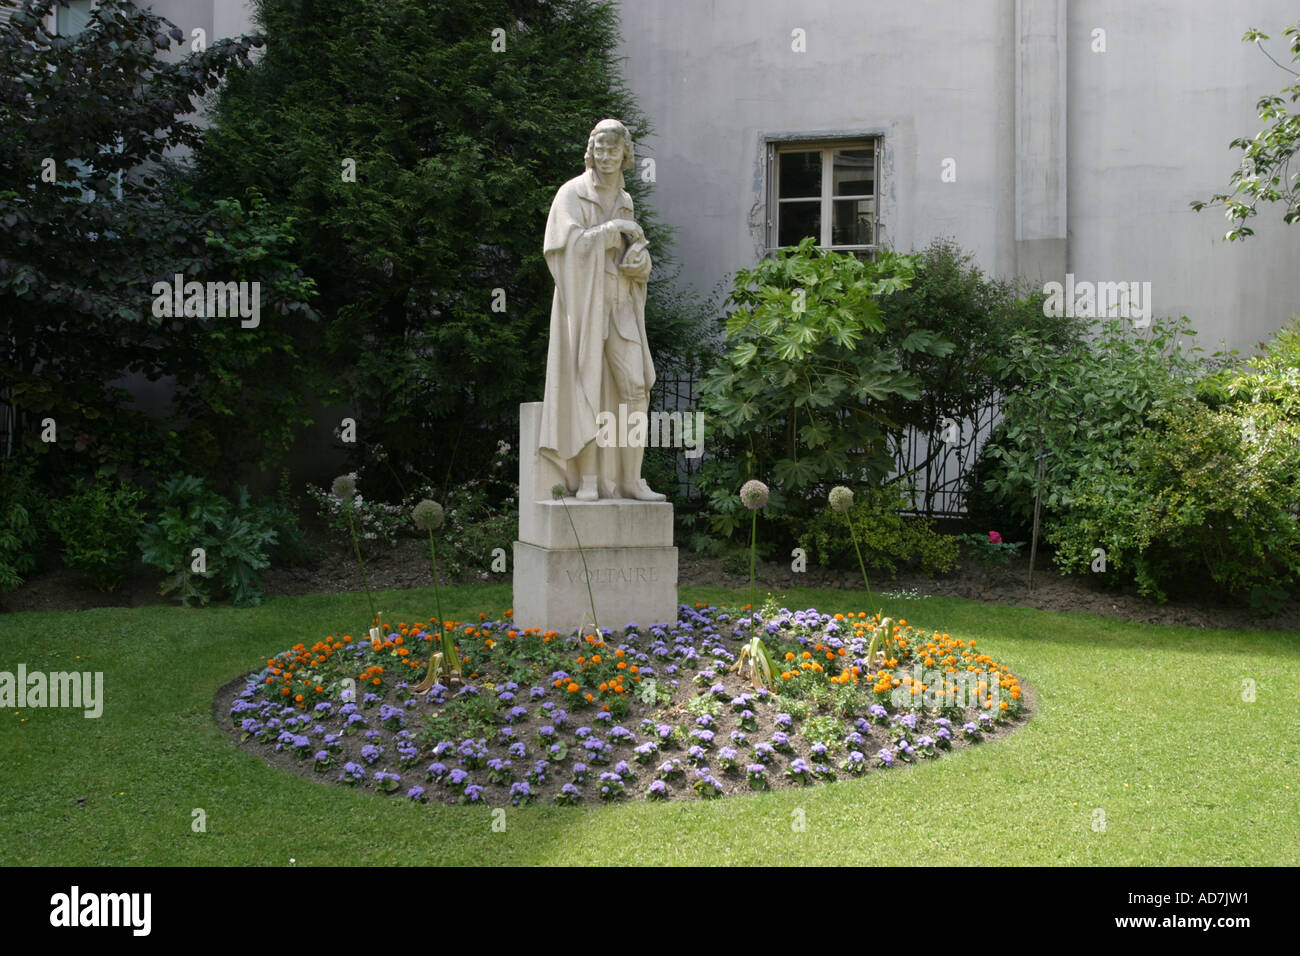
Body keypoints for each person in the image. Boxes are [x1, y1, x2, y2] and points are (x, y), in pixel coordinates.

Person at [537, 118, 666, 502]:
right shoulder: (571, 194)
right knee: (587, 387)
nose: (606, 156)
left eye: (614, 149)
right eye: (600, 149)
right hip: (585, 309)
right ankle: (590, 478)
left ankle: (630, 479)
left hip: (621, 304)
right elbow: (564, 250)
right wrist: (614, 230)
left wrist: (640, 263)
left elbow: (631, 250)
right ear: (590, 152)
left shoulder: (626, 199)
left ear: (625, 154)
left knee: (636, 390)